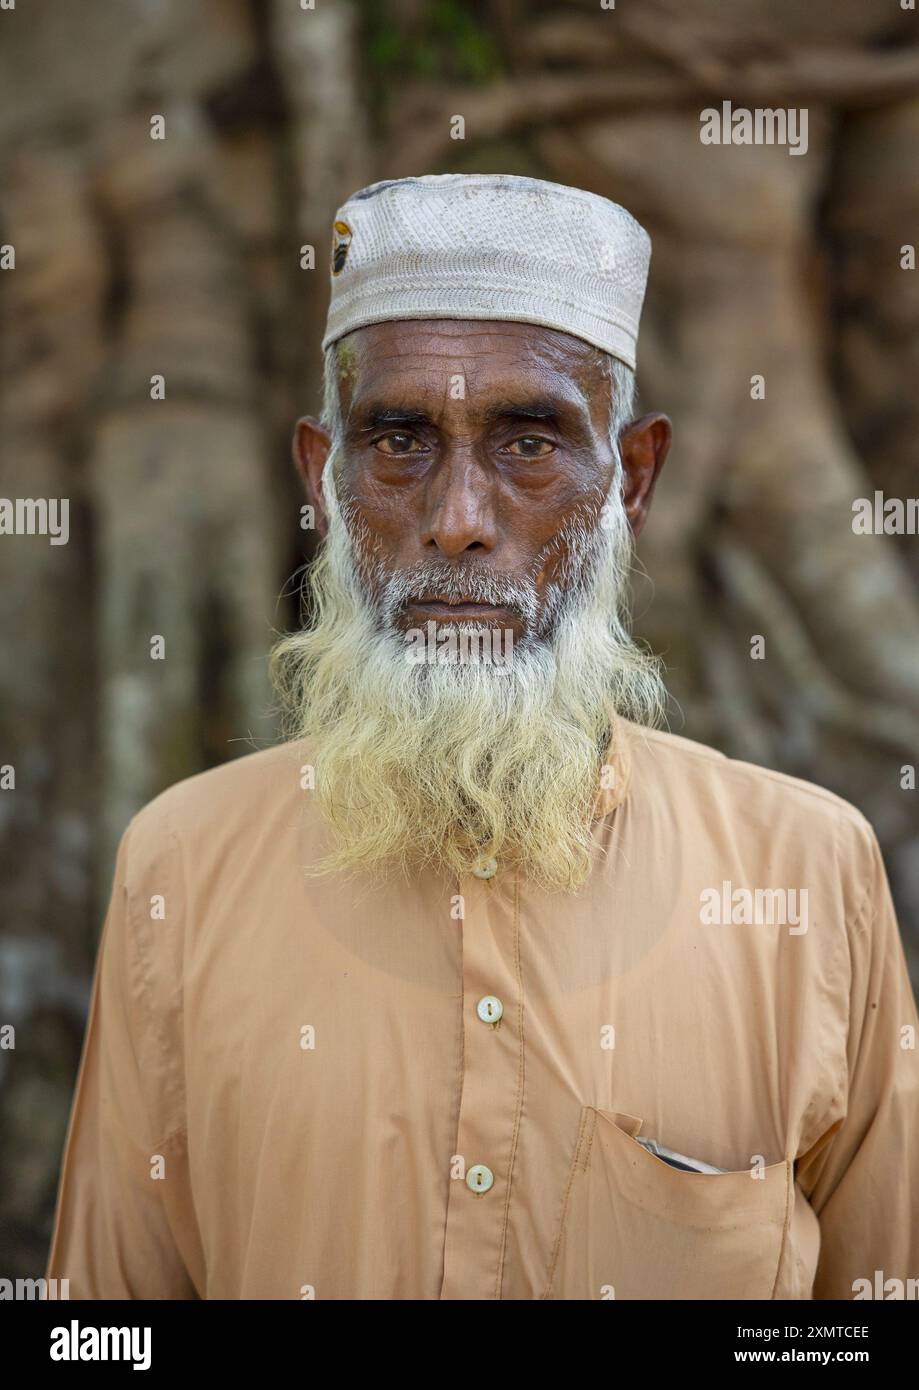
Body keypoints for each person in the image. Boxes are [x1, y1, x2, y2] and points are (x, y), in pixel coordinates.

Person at [46, 174, 919, 1300]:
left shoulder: (804, 870)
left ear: (630, 479)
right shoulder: (182, 864)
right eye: (401, 441)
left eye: (529, 444)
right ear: (324, 476)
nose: (458, 522)